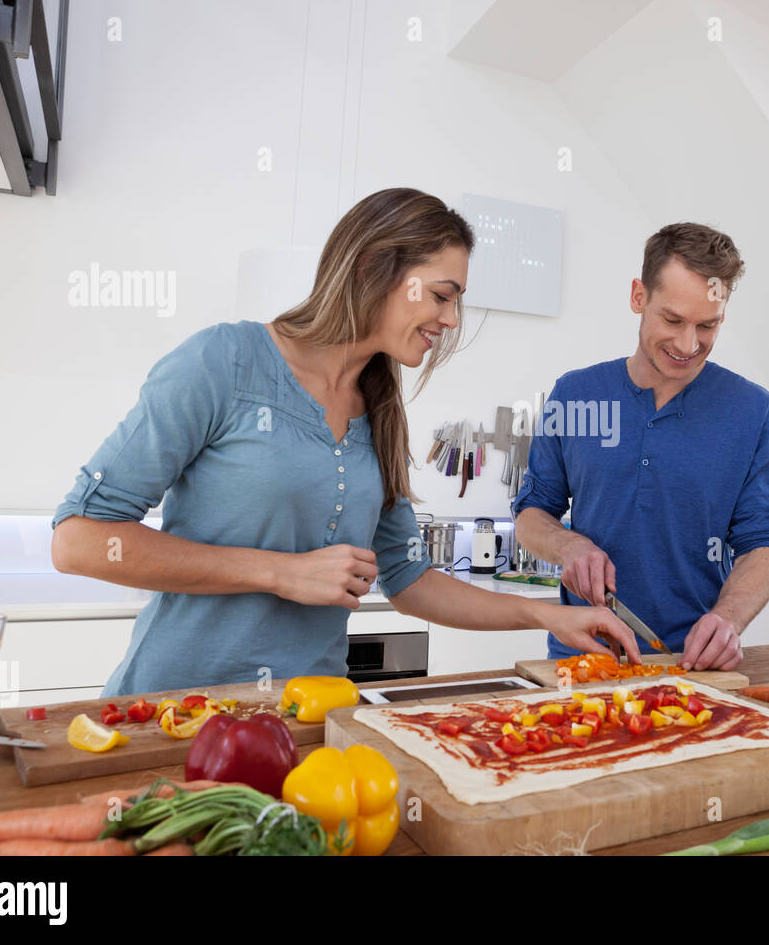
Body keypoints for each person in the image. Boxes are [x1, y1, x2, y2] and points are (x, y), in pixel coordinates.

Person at [51, 187, 639, 695]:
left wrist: (548, 616)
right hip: (178, 709)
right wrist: (281, 572)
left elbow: (409, 581)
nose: (452, 318)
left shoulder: (380, 407)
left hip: (311, 718)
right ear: (372, 271)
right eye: (441, 294)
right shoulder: (223, 362)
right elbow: (78, 541)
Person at [512, 223, 769, 672]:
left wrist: (728, 619)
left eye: (708, 325)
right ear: (639, 297)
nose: (688, 344)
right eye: (673, 320)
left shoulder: (752, 409)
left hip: (692, 664)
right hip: (583, 656)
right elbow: (532, 513)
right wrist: (567, 546)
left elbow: (761, 543)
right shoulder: (575, 393)